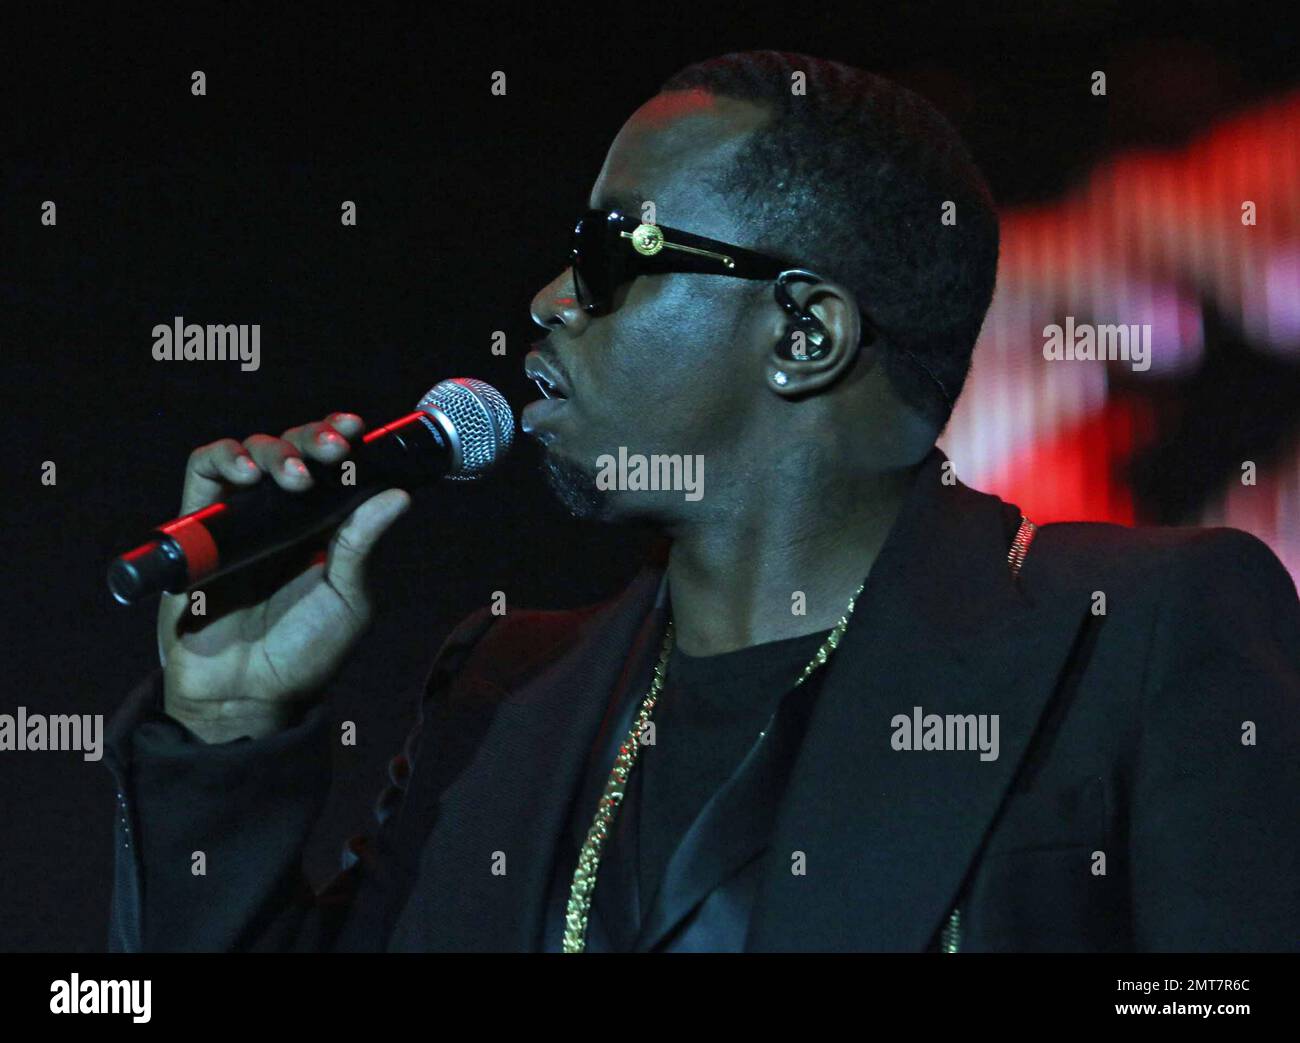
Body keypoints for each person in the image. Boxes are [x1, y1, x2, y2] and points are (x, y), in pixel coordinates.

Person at [104, 51, 1300, 952]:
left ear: (803, 330)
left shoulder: (1134, 630)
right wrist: (224, 728)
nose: (549, 300)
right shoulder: (503, 690)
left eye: (612, 251)